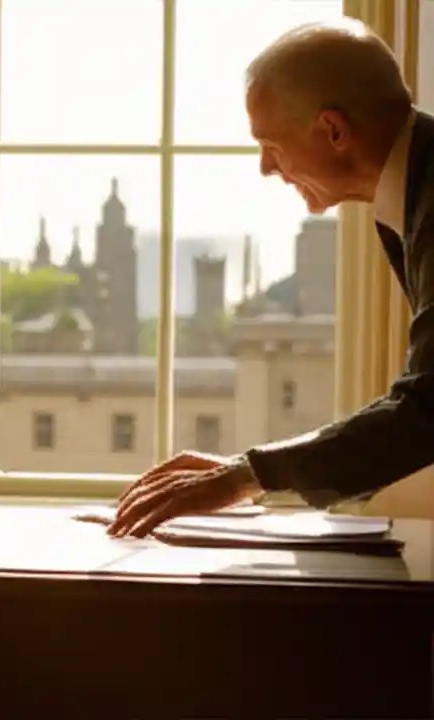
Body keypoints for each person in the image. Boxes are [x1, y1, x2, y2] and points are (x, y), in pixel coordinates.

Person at [111, 18, 432, 538]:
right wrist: (258, 472)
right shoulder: (412, 192)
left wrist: (249, 475)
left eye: (270, 143)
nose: (264, 167)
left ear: (333, 131)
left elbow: (427, 410)